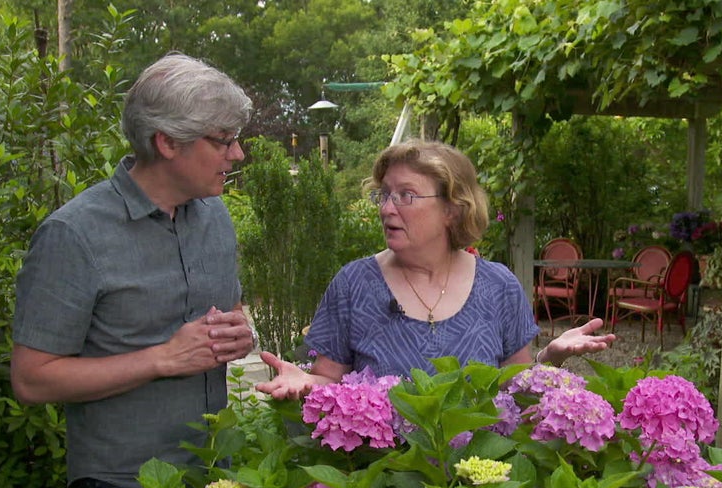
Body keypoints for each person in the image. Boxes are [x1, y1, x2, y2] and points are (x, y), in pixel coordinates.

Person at [10, 53, 255, 488]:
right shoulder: (74, 235)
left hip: (214, 479)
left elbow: (221, 322)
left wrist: (239, 334)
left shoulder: (215, 216)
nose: (238, 155)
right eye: (223, 141)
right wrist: (160, 359)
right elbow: (32, 378)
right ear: (167, 142)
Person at [256, 140, 614, 400]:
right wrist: (303, 381)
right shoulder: (355, 284)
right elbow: (328, 383)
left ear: (453, 209)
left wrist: (549, 359)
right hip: (381, 480)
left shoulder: (498, 286)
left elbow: (512, 389)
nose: (386, 208)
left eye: (406, 195)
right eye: (384, 194)